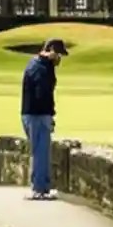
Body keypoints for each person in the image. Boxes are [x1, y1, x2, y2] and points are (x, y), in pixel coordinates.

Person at [20, 38, 69, 200]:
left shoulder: (38, 64)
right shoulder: (41, 68)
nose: (59, 59)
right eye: (59, 54)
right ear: (51, 51)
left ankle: (42, 188)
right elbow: (42, 94)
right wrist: (50, 114)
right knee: (41, 153)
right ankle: (39, 190)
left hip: (33, 114)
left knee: (41, 151)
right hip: (37, 115)